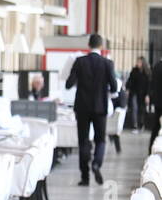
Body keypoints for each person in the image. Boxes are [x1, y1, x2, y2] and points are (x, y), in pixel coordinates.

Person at [64, 34, 117, 185]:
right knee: (100, 140)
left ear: (89, 45)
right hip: (100, 107)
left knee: (83, 141)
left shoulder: (79, 62)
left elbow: (68, 84)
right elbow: (114, 87)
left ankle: (85, 177)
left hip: (82, 108)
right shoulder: (107, 63)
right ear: (101, 46)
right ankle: (96, 164)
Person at [127, 57, 150, 130]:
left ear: (143, 63)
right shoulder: (134, 70)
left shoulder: (147, 72)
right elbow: (130, 81)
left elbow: (149, 84)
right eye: (137, 62)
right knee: (134, 108)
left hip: (143, 94)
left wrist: (147, 95)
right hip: (134, 93)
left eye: (139, 62)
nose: (137, 63)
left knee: (142, 109)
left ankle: (141, 124)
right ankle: (135, 125)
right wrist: (128, 88)